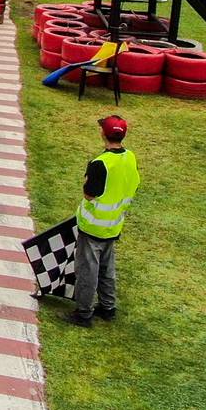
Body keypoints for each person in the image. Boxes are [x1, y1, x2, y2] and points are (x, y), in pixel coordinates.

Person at [71, 114, 140, 327]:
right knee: (107, 268)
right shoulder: (130, 157)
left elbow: (89, 194)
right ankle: (108, 307)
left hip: (93, 226)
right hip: (114, 224)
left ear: (103, 133)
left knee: (88, 270)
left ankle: (83, 313)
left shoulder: (100, 164)